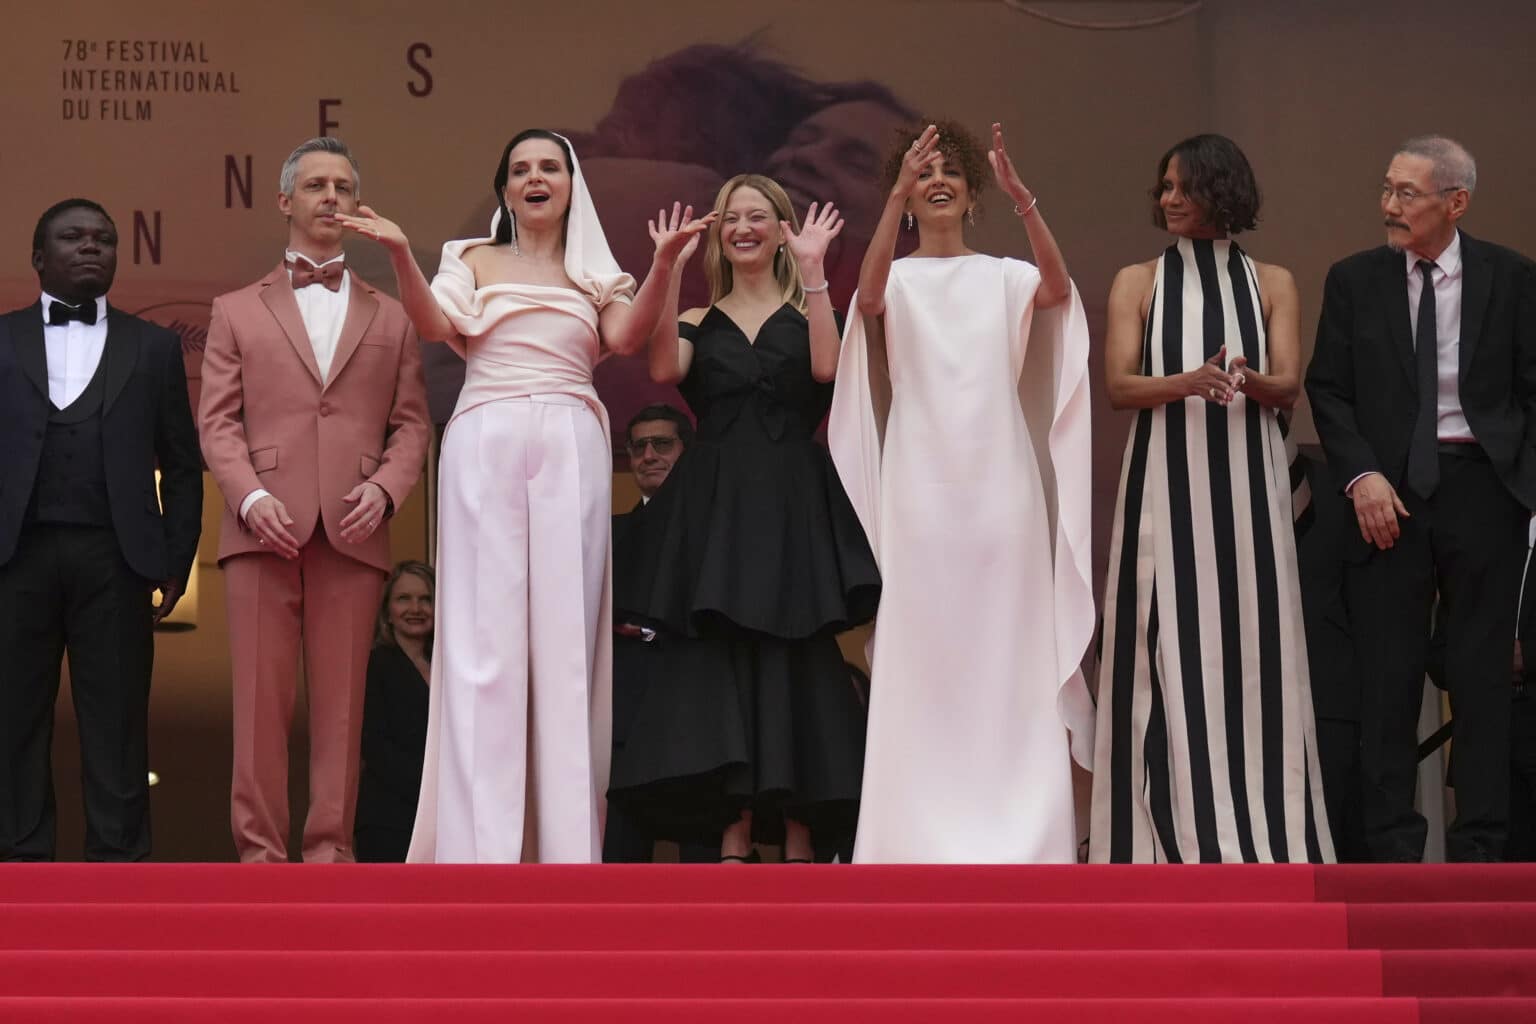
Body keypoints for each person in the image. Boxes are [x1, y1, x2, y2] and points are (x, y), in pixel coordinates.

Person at [337, 128, 710, 863]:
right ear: (505, 188)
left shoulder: (595, 270)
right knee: (486, 643)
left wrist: (664, 264)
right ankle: (481, 847)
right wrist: (402, 255)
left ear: (572, 185)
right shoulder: (470, 256)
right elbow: (435, 324)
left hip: (571, 439)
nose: (535, 178)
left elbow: (627, 339)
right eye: (520, 169)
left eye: (549, 167)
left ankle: (565, 848)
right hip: (486, 436)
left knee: (564, 645)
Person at [828, 121, 1094, 863]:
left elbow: (1059, 290)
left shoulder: (1006, 276)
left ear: (974, 192)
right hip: (918, 487)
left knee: (1008, 649)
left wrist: (1024, 199)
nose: (938, 181)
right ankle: (911, 834)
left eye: (951, 172)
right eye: (924, 173)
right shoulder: (894, 278)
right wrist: (892, 199)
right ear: (908, 194)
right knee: (925, 651)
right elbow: (869, 300)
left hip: (1002, 487)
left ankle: (1023, 831)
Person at [609, 174, 881, 863]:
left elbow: (827, 369)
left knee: (795, 654)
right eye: (731, 218)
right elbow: (665, 368)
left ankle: (798, 830)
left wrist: (815, 271)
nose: (743, 228)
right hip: (719, 506)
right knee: (721, 657)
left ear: (782, 231)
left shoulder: (814, 306)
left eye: (758, 216)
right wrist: (667, 265)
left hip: (792, 498)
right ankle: (733, 828)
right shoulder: (699, 318)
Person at [1088, 134, 1334, 864]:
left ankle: (1264, 827)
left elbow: (1288, 385)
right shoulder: (1138, 281)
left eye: (1183, 187)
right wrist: (1188, 382)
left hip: (1249, 481)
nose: (1168, 198)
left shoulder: (1272, 281)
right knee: (1159, 641)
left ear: (1220, 192)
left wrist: (1245, 379)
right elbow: (1118, 386)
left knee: (1254, 643)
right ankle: (1160, 832)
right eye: (1164, 186)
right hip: (1163, 477)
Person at [200, 138, 432, 864]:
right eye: (315, 185)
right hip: (260, 527)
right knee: (259, 706)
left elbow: (413, 425)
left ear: (358, 205)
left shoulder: (393, 316)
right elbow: (216, 421)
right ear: (285, 201)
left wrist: (386, 489)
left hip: (355, 526)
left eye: (343, 186)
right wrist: (249, 496)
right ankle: (260, 856)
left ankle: (330, 853)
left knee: (343, 710)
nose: (331, 196)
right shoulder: (235, 309)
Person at [1306, 135, 1536, 863]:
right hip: (1387, 491)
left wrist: (1520, 483)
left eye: (1406, 193)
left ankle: (1482, 846)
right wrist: (1361, 476)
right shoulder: (1354, 280)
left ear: (1456, 202)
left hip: (1484, 489)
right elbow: (1329, 389)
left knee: (1482, 673)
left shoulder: (1512, 277)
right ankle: (1391, 850)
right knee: (1389, 672)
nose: (1389, 205)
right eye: (1387, 189)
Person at [0, 198, 201, 861]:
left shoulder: (156, 347)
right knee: (11, 719)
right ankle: (17, 867)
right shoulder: (0, 339)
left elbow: (182, 463)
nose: (91, 246)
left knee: (117, 725)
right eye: (73, 236)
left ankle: (119, 874)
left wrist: (176, 558)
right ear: (38, 257)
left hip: (117, 560)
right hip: (13, 559)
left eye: (104, 239)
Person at [604, 404, 719, 863]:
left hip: (700, 709)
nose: (648, 455)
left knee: (704, 857)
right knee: (620, 856)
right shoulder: (609, 533)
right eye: (638, 447)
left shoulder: (719, 531)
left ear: (687, 452)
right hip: (626, 714)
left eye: (662, 444)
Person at [355, 560, 434, 863]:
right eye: (404, 598)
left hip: (442, 817)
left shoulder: (451, 667)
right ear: (387, 610)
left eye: (425, 599)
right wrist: (427, 787)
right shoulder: (374, 665)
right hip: (387, 818)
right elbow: (373, 744)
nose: (416, 608)